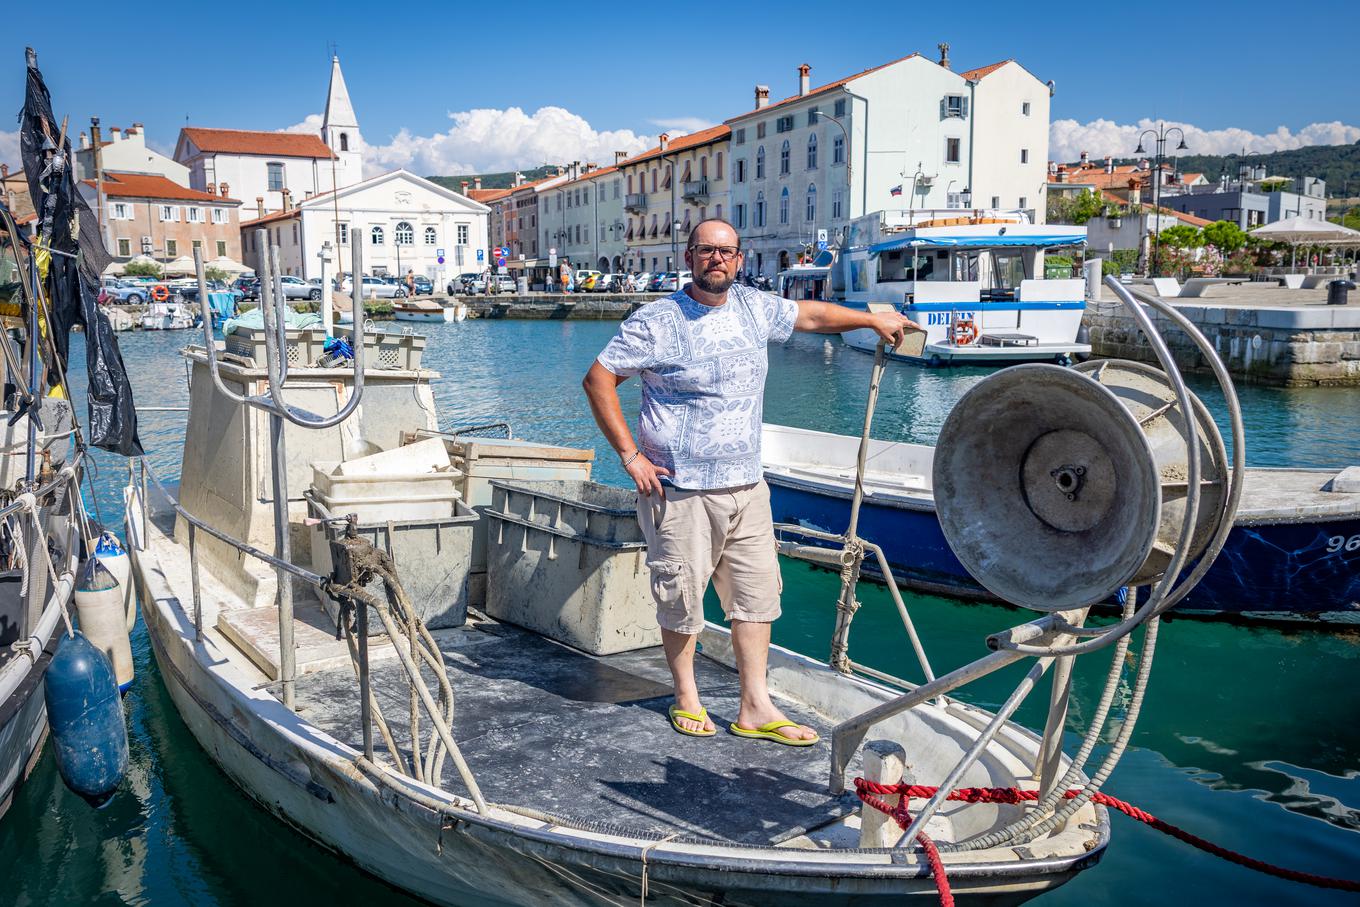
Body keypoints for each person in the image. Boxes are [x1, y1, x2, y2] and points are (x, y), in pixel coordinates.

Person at [583, 218, 917, 744]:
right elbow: (599, 379)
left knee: (757, 597)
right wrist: (631, 457)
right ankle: (686, 697)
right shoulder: (657, 320)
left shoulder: (753, 307)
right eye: (705, 250)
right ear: (689, 257)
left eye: (726, 252)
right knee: (682, 598)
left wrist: (869, 320)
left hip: (748, 488)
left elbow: (811, 314)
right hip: (682, 490)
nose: (716, 259)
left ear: (739, 260)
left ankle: (755, 707)